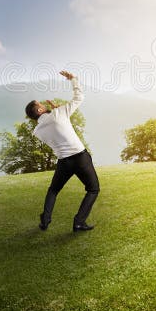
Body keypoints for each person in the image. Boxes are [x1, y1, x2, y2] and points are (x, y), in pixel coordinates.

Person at [25, 70, 99, 232]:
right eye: (40, 105)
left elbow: (55, 127)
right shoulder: (59, 113)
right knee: (93, 189)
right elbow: (79, 98)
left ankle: (45, 220)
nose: (43, 105)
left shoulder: (37, 131)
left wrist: (59, 112)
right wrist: (73, 79)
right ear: (39, 110)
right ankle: (79, 222)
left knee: (53, 190)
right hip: (80, 158)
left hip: (64, 162)